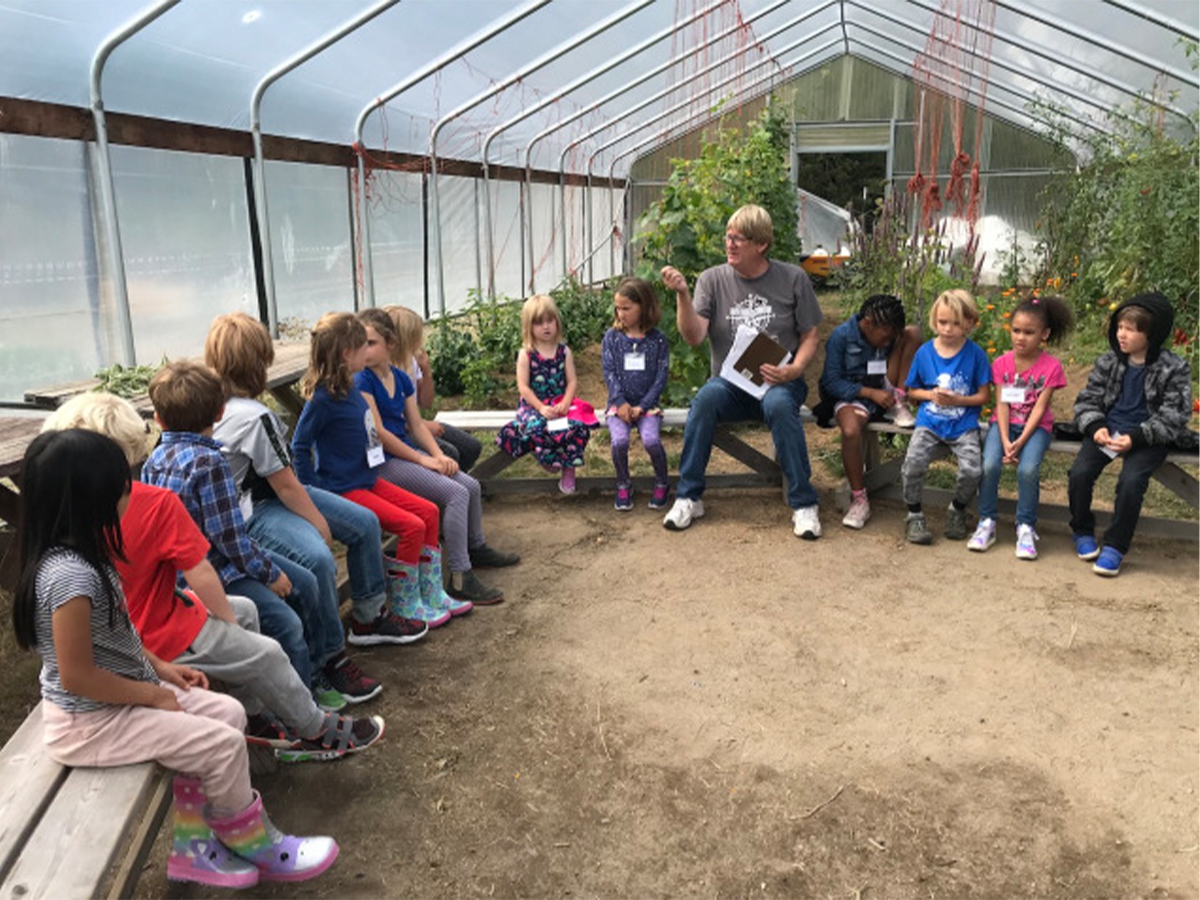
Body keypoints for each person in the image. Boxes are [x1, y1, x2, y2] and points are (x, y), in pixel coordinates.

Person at [12, 428, 338, 888]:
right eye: (120, 486)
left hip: (113, 699)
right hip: (87, 722)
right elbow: (77, 675)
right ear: (91, 500)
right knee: (221, 746)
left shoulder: (87, 555)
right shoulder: (70, 579)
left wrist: (160, 668)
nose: (130, 492)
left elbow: (114, 635)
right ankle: (255, 841)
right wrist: (150, 694)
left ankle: (195, 844)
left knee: (227, 711)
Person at [41, 391, 385, 762]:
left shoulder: (65, 520)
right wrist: (228, 628)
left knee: (248, 611)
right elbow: (200, 571)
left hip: (128, 631)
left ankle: (255, 718)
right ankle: (315, 731)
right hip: (162, 634)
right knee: (265, 651)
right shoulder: (154, 501)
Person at [142, 360, 384, 710]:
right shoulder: (209, 465)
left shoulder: (156, 458)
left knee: (305, 581)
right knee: (286, 617)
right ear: (220, 411)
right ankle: (302, 703)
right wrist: (270, 574)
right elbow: (229, 538)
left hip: (195, 569)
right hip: (216, 570)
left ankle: (318, 667)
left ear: (159, 419)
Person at [205, 311, 426, 648]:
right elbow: (287, 483)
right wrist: (318, 522)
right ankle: (329, 651)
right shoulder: (254, 416)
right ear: (257, 361)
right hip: (256, 508)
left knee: (366, 524)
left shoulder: (224, 406)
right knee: (319, 557)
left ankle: (369, 617)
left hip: (270, 496)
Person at [660, 204, 824, 537]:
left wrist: (794, 369)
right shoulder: (712, 279)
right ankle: (689, 497)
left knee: (779, 405)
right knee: (705, 400)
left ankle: (804, 504)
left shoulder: (793, 278)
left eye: (738, 238)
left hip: (779, 382)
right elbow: (694, 337)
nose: (730, 244)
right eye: (728, 236)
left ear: (760, 244)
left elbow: (810, 335)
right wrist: (682, 296)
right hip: (731, 385)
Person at [291, 312, 458, 628]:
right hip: (343, 487)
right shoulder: (323, 398)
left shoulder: (351, 387)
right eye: (361, 347)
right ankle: (406, 602)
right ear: (346, 354)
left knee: (429, 513)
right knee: (410, 526)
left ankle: (430, 593)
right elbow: (299, 446)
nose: (366, 353)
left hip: (367, 478)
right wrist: (312, 492)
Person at [357, 307, 518, 606]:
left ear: (390, 343)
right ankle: (460, 576)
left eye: (370, 342)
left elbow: (416, 424)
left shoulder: (399, 378)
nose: (362, 349)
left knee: (470, 485)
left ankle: (475, 547)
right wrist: (424, 460)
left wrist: (435, 454)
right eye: (359, 342)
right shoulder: (363, 381)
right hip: (384, 463)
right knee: (456, 493)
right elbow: (380, 433)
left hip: (406, 454)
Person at [1068, 292, 1193, 576]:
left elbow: (1175, 415)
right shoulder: (1108, 362)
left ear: (1152, 333)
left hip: (1148, 438)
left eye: (1130, 329)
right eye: (1119, 327)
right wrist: (1095, 427)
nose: (1121, 334)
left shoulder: (1174, 368)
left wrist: (1136, 438)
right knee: (1080, 474)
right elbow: (1087, 401)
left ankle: (1115, 546)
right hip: (1107, 432)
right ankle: (1082, 529)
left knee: (1131, 482)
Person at [969, 295, 1073, 559]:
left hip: (1034, 429)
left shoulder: (1051, 367)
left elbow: (1040, 409)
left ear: (1044, 334)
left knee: (1028, 470)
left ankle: (1025, 526)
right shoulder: (1001, 363)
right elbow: (1001, 404)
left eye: (1029, 332)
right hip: (1003, 426)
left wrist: (1022, 440)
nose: (1020, 338)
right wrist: (1005, 439)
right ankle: (987, 522)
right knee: (989, 465)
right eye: (1016, 330)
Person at [816, 293, 922, 529]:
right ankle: (859, 498)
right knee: (851, 430)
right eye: (886, 336)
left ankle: (899, 401)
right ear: (868, 323)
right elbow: (831, 382)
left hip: (885, 388)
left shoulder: (889, 336)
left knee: (913, 333)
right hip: (853, 396)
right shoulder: (841, 337)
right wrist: (868, 393)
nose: (889, 342)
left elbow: (900, 339)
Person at [900, 289, 991, 545]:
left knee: (973, 470)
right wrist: (930, 396)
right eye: (942, 322)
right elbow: (912, 390)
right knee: (913, 464)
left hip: (963, 424)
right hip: (930, 422)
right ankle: (914, 514)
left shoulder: (975, 354)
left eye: (956, 324)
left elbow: (984, 396)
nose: (948, 329)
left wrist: (959, 400)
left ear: (969, 323)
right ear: (934, 321)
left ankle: (958, 509)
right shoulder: (925, 353)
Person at [495, 294, 597, 494]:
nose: (546, 327)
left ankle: (569, 468)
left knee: (577, 427)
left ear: (556, 322)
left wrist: (566, 403)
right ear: (529, 327)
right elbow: (523, 387)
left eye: (550, 320)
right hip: (534, 405)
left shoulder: (564, 351)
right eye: (539, 323)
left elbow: (572, 381)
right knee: (536, 427)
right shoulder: (527, 354)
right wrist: (541, 408)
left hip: (560, 403)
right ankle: (548, 459)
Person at [384, 304, 483, 472]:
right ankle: (443, 490)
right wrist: (422, 425)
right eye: (416, 335)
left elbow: (426, 403)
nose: (420, 340)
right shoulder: (383, 371)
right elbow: (388, 420)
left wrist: (426, 371)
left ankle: (456, 482)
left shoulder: (411, 361)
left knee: (471, 446)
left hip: (417, 423)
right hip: (401, 431)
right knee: (450, 452)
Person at [601, 277, 671, 511]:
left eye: (627, 308)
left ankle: (662, 481)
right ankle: (623, 483)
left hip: (647, 406)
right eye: (618, 308)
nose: (621, 314)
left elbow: (661, 376)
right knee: (619, 442)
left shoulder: (658, 340)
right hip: (618, 406)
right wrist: (620, 402)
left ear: (644, 306)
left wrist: (643, 406)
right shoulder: (612, 338)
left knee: (651, 440)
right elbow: (609, 371)